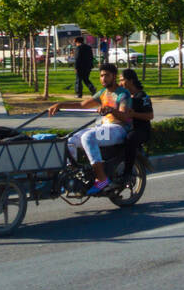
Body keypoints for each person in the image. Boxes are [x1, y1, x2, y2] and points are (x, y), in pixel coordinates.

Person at [48, 63, 130, 194]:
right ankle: (71, 177)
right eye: (101, 76)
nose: (103, 78)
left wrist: (110, 109)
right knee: (69, 139)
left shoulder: (123, 94)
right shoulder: (103, 93)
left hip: (118, 129)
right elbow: (82, 105)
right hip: (105, 128)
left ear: (114, 76)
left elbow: (125, 116)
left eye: (107, 76)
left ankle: (102, 179)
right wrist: (60, 104)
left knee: (88, 137)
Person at [120, 68, 154, 170]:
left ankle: (128, 172)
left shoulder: (142, 96)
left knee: (130, 138)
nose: (120, 83)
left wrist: (134, 114)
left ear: (131, 81)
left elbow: (150, 115)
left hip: (141, 130)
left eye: (122, 80)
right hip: (127, 128)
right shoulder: (124, 96)